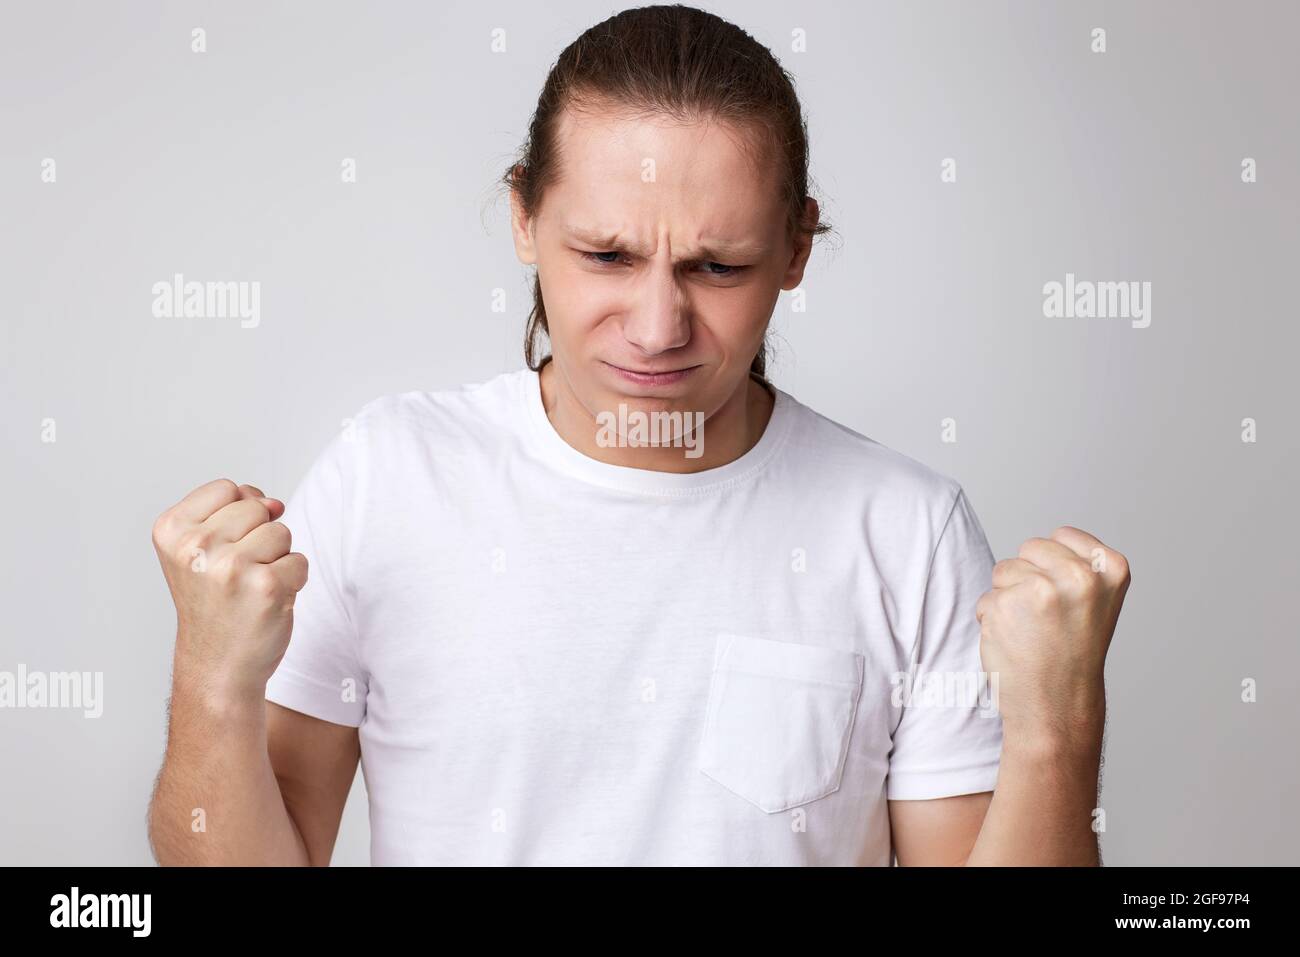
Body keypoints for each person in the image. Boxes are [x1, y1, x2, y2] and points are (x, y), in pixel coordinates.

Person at [146, 5, 1130, 866]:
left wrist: (1057, 727)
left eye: (716, 267)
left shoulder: (904, 530)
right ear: (525, 216)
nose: (657, 328)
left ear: (794, 248)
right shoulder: (389, 477)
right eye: (606, 255)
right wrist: (208, 681)